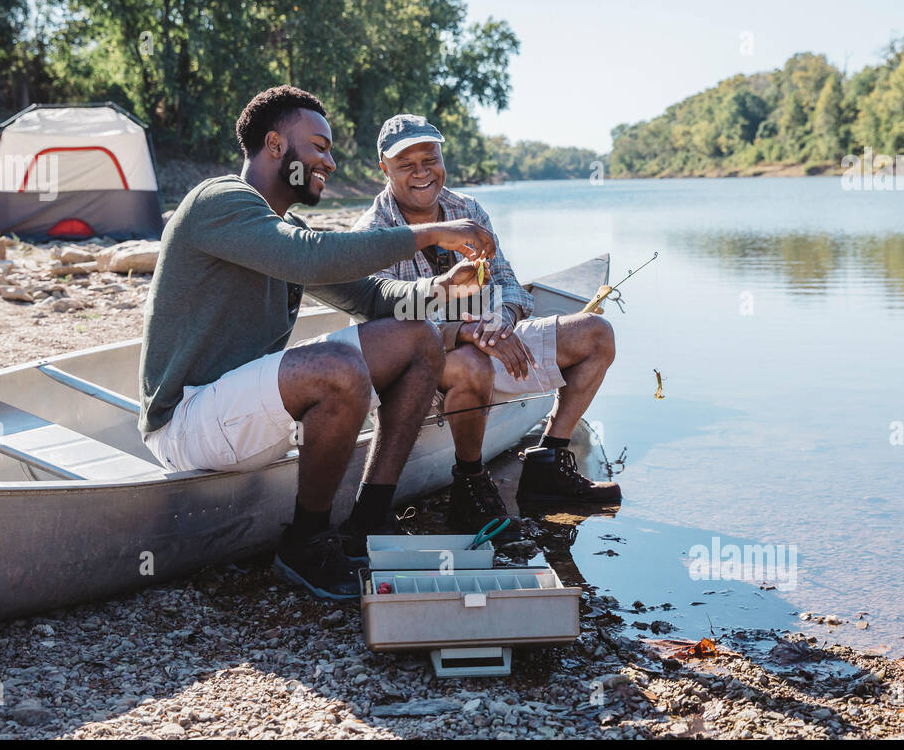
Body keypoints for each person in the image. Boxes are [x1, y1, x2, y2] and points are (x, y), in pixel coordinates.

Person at [138, 88, 495, 600]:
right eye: (319, 147)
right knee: (337, 367)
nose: (328, 161)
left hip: (243, 410)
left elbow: (370, 296)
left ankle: (369, 521)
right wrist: (432, 233)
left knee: (418, 338)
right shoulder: (218, 202)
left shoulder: (282, 227)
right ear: (276, 144)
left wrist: (437, 290)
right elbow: (311, 258)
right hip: (187, 424)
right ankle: (305, 543)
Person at [352, 114, 621, 532]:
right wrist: (465, 333)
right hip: (420, 370)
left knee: (596, 335)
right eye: (406, 165)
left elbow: (508, 283)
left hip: (486, 344)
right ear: (383, 169)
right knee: (472, 364)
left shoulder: (467, 210)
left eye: (430, 159)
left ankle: (548, 463)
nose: (422, 173)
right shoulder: (370, 233)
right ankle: (471, 483)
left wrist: (500, 323)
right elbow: (381, 322)